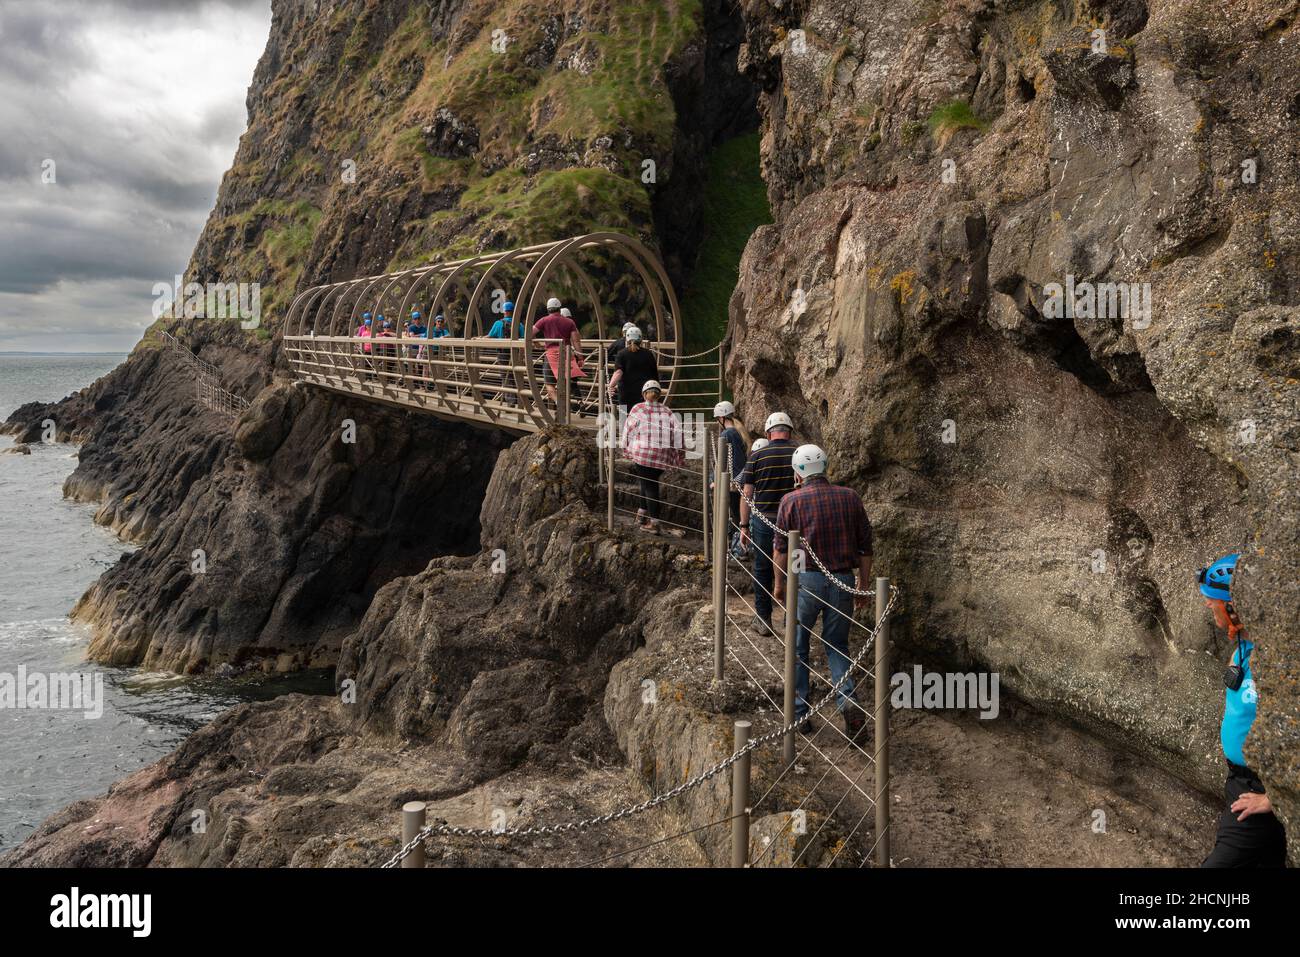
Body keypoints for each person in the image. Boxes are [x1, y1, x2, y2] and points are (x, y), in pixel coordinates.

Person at [772, 444, 873, 742]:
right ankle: (849, 703)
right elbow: (866, 546)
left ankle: (800, 714)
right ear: (825, 467)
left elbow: (780, 550)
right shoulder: (850, 497)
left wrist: (779, 584)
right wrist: (863, 585)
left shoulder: (790, 501)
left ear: (798, 471)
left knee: (799, 646)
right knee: (837, 646)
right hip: (842, 579)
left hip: (806, 582)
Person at [1198, 553, 1288, 867]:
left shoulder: (1277, 659)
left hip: (1263, 790)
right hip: (1238, 783)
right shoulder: (1242, 648)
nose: (1208, 605)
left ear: (1235, 607)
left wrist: (1276, 799)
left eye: (1213, 600)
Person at [738, 412, 797, 634]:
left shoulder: (757, 456)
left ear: (768, 433)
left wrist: (744, 526)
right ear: (789, 431)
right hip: (795, 524)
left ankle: (763, 619)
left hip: (765, 520)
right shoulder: (799, 452)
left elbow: (747, 495)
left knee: (762, 568)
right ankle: (792, 620)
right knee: (795, 569)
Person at [621, 379, 685, 536]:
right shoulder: (667, 411)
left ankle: (655, 523)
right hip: (661, 456)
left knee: (650, 486)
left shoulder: (638, 408)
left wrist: (625, 447)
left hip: (642, 454)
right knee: (648, 482)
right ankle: (641, 515)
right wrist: (680, 454)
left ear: (644, 394)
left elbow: (627, 430)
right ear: (659, 395)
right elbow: (678, 433)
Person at [533, 297, 585, 406]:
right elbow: (576, 341)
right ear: (559, 308)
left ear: (548, 309)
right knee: (567, 382)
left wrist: (536, 343)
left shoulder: (544, 320)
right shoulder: (569, 322)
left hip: (551, 354)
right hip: (566, 353)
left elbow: (530, 333)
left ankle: (558, 403)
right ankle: (568, 406)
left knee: (549, 384)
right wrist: (580, 358)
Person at [712, 399, 750, 538]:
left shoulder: (727, 434)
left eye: (717, 419)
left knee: (735, 515)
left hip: (733, 482)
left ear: (721, 418)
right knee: (737, 514)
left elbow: (728, 461)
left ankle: (737, 547)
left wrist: (716, 479)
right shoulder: (739, 432)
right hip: (740, 479)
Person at [608, 327, 658, 413]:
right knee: (642, 418)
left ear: (627, 339)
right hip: (644, 392)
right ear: (641, 339)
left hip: (625, 392)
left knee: (624, 419)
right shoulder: (648, 354)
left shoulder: (621, 354)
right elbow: (654, 374)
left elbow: (618, 372)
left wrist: (611, 385)